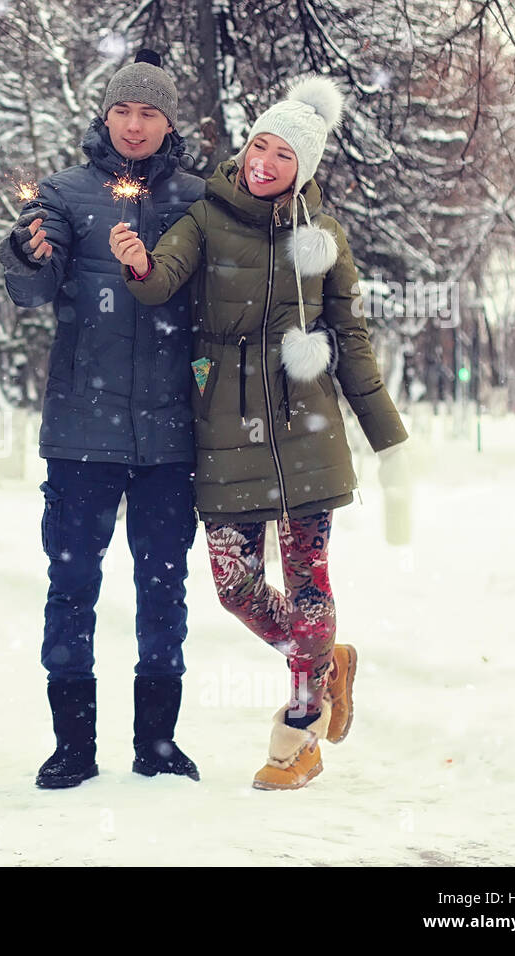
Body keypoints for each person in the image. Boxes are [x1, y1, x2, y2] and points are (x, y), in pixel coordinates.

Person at [111, 76, 410, 790]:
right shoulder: (207, 215)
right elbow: (163, 278)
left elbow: (352, 339)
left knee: (309, 580)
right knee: (234, 584)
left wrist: (388, 435)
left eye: (283, 156)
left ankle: (298, 733)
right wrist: (139, 262)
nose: (265, 163)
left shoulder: (324, 238)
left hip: (307, 423)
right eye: (260, 147)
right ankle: (322, 660)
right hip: (225, 421)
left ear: (303, 168)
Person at [0, 50, 206, 789]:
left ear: (169, 120)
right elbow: (31, 284)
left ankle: (157, 742)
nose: (135, 124)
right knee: (72, 583)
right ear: (105, 116)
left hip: (172, 435)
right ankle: (72, 746)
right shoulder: (64, 193)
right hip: (82, 431)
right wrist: (25, 250)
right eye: (123, 110)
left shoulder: (199, 199)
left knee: (164, 585)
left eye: (149, 112)